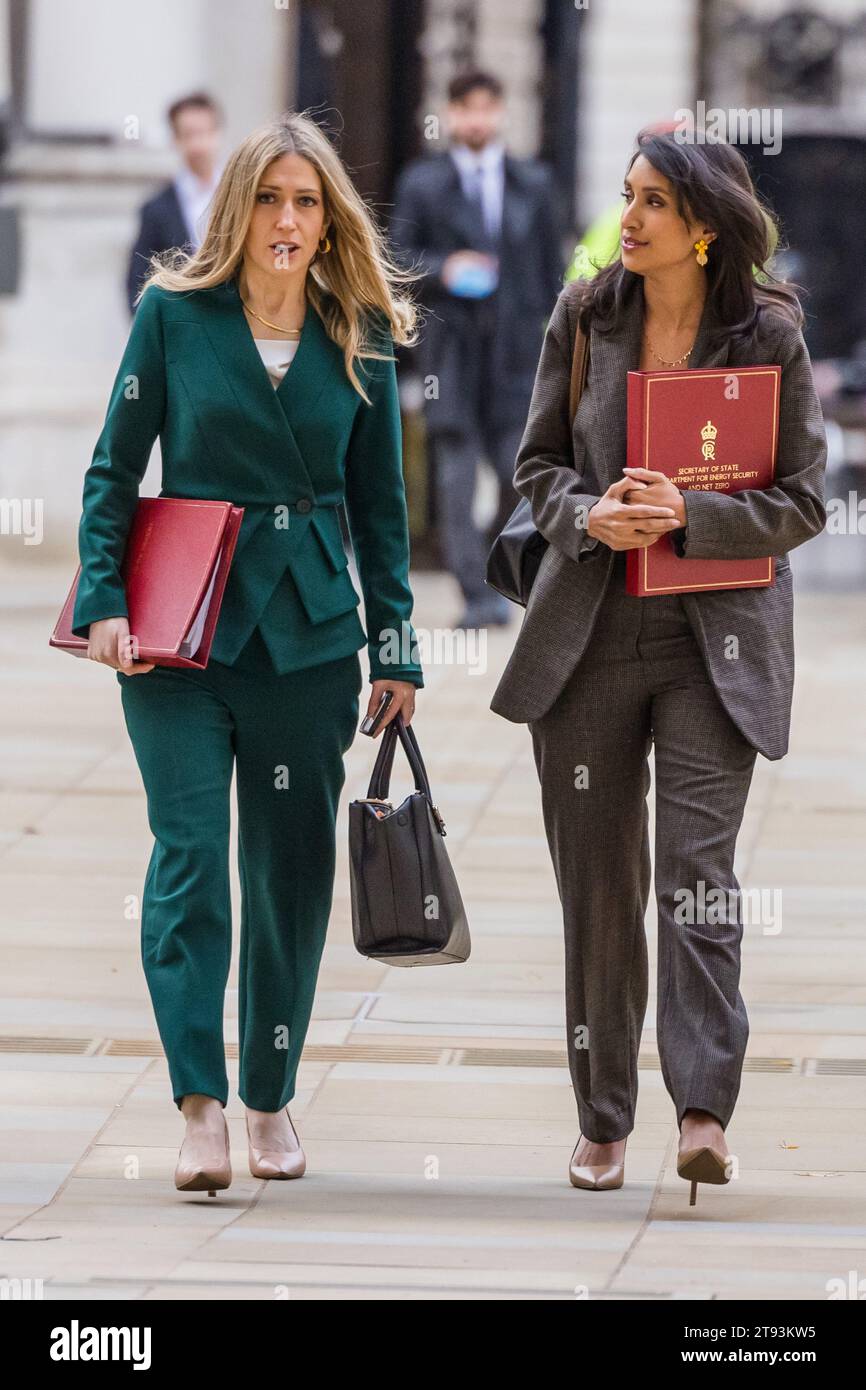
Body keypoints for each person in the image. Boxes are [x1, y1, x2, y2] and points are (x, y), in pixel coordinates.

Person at [72, 110, 424, 1195]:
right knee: (188, 864)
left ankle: (269, 1093)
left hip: (309, 640)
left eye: (305, 201)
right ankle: (199, 1105)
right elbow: (110, 469)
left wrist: (396, 647)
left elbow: (381, 508)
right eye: (268, 199)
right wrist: (101, 600)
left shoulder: (357, 327)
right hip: (182, 635)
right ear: (237, 210)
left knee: (287, 872)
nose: (286, 218)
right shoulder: (174, 317)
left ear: (329, 221)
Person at [490, 130, 827, 1205]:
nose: (626, 219)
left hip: (712, 644)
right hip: (587, 635)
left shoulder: (767, 335)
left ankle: (700, 1109)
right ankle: (600, 1118)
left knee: (696, 876)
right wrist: (591, 513)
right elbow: (534, 463)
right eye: (624, 197)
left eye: (648, 203)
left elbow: (804, 498)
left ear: (703, 226)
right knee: (597, 887)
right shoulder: (585, 316)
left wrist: (694, 513)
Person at [391, 69, 565, 629]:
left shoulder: (533, 183)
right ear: (451, 113)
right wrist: (447, 268)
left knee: (523, 475)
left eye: (486, 108)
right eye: (466, 109)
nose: (477, 120)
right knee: (455, 480)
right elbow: (396, 261)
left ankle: (499, 576)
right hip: (451, 357)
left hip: (514, 359)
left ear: (501, 112)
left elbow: (548, 277)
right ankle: (474, 594)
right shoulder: (422, 183)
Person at [125, 92, 225, 315]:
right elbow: (138, 283)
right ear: (175, 139)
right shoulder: (156, 209)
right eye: (188, 134)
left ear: (218, 133)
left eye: (204, 133)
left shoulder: (240, 195)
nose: (198, 144)